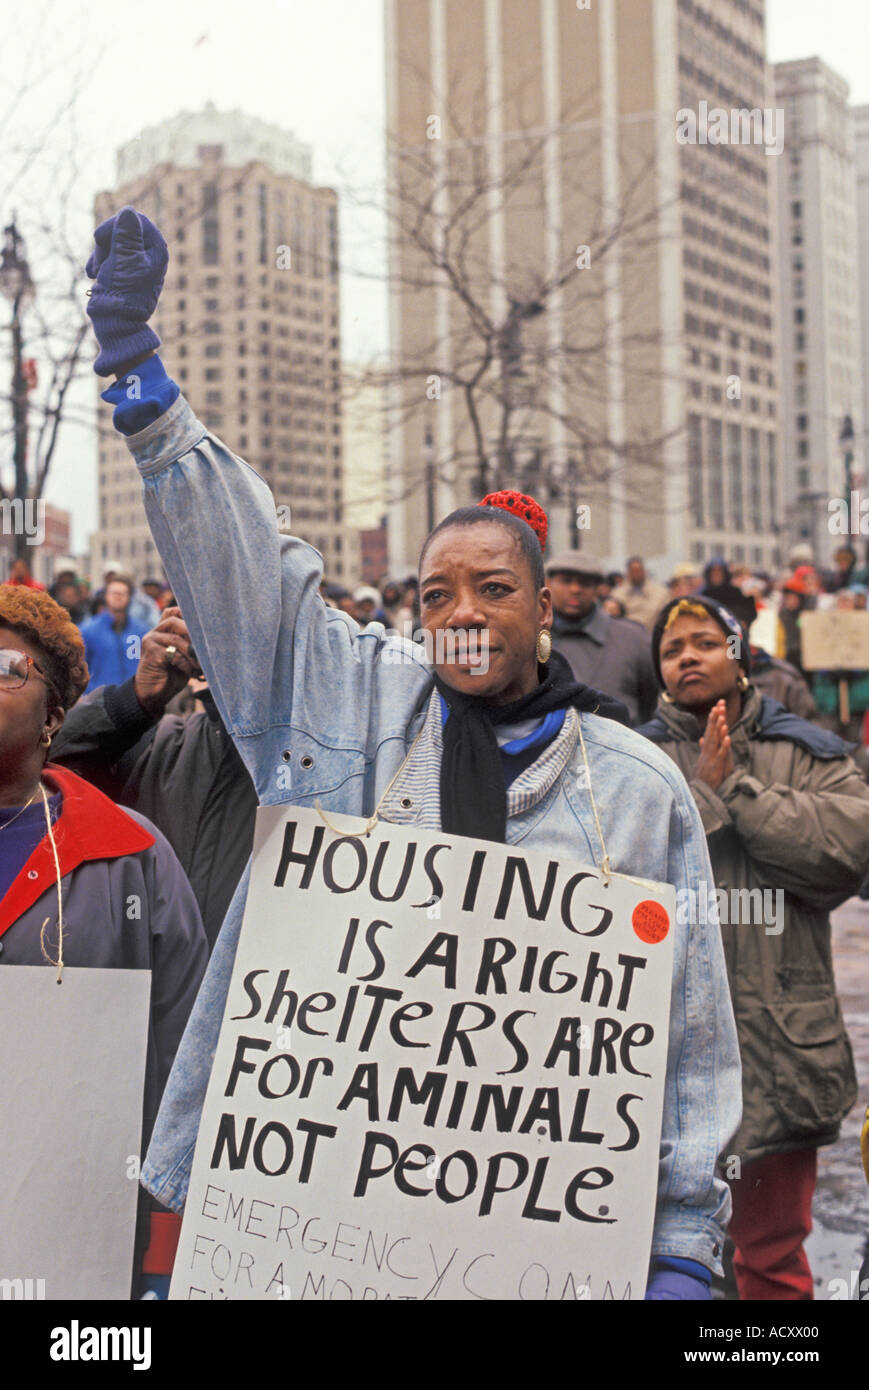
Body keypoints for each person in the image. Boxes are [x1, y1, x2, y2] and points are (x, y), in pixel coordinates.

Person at [85, 204, 743, 1301]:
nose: (463, 613)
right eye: (435, 593)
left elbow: (682, 1030)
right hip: (312, 1231)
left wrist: (679, 1242)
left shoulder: (634, 790)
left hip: (532, 1240)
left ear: (545, 608)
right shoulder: (352, 705)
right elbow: (255, 571)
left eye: (493, 588)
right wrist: (147, 394)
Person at [637, 594, 869, 1300]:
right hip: (668, 1057)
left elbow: (842, 856)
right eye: (672, 649)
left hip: (779, 1049)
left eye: (704, 643)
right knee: (671, 1264)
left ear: (739, 659)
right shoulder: (630, 759)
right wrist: (701, 797)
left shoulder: (810, 751)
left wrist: (731, 789)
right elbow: (623, 880)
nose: (687, 657)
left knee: (770, 1261)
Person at [0, 584, 208, 1296]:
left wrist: (165, 1246)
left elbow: (184, 1059)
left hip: (78, 1248)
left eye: (7, 669)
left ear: (56, 714)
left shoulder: (133, 855)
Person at [51, 607, 257, 951]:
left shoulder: (319, 765)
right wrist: (135, 701)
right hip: (152, 994)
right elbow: (47, 767)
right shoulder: (163, 744)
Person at [546, 550, 658, 726]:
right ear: (548, 584)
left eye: (585, 583)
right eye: (566, 581)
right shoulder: (531, 637)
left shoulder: (633, 638)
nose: (575, 589)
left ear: (597, 588)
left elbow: (652, 704)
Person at [80, 573, 149, 693]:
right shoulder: (87, 631)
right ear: (105, 596)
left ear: (130, 597)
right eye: (114, 593)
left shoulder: (142, 631)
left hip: (134, 700)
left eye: (122, 593)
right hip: (98, 701)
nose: (118, 597)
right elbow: (79, 670)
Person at [610, 557, 668, 632]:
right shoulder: (616, 594)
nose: (636, 573)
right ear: (628, 573)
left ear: (644, 571)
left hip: (651, 634)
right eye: (633, 571)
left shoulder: (661, 592)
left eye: (638, 570)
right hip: (624, 635)